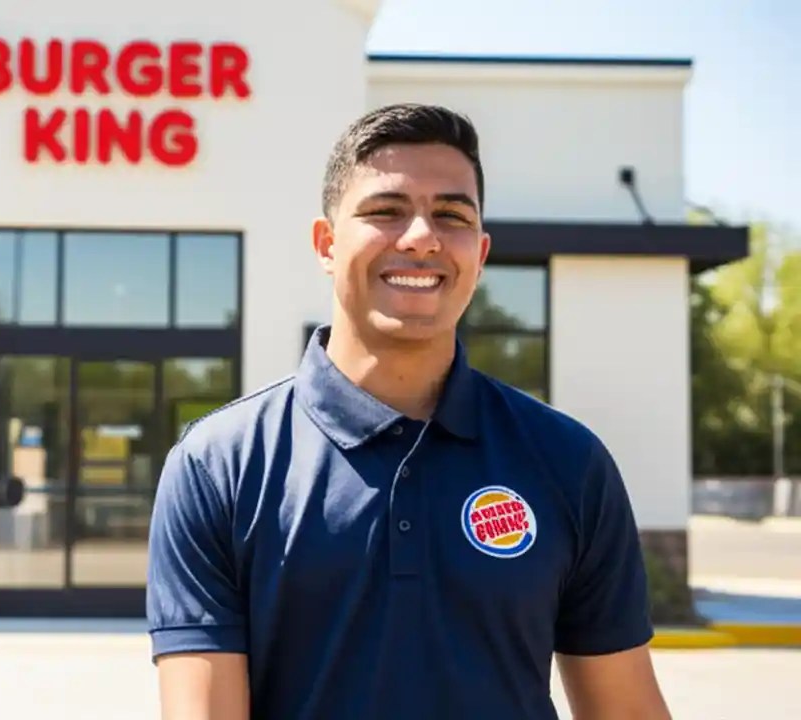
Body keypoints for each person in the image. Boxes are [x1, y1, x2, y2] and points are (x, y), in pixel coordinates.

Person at [145, 103, 671, 719]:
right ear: (326, 243)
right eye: (385, 211)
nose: (421, 236)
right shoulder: (219, 467)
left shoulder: (568, 462)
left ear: (479, 252)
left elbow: (626, 708)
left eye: (451, 215)